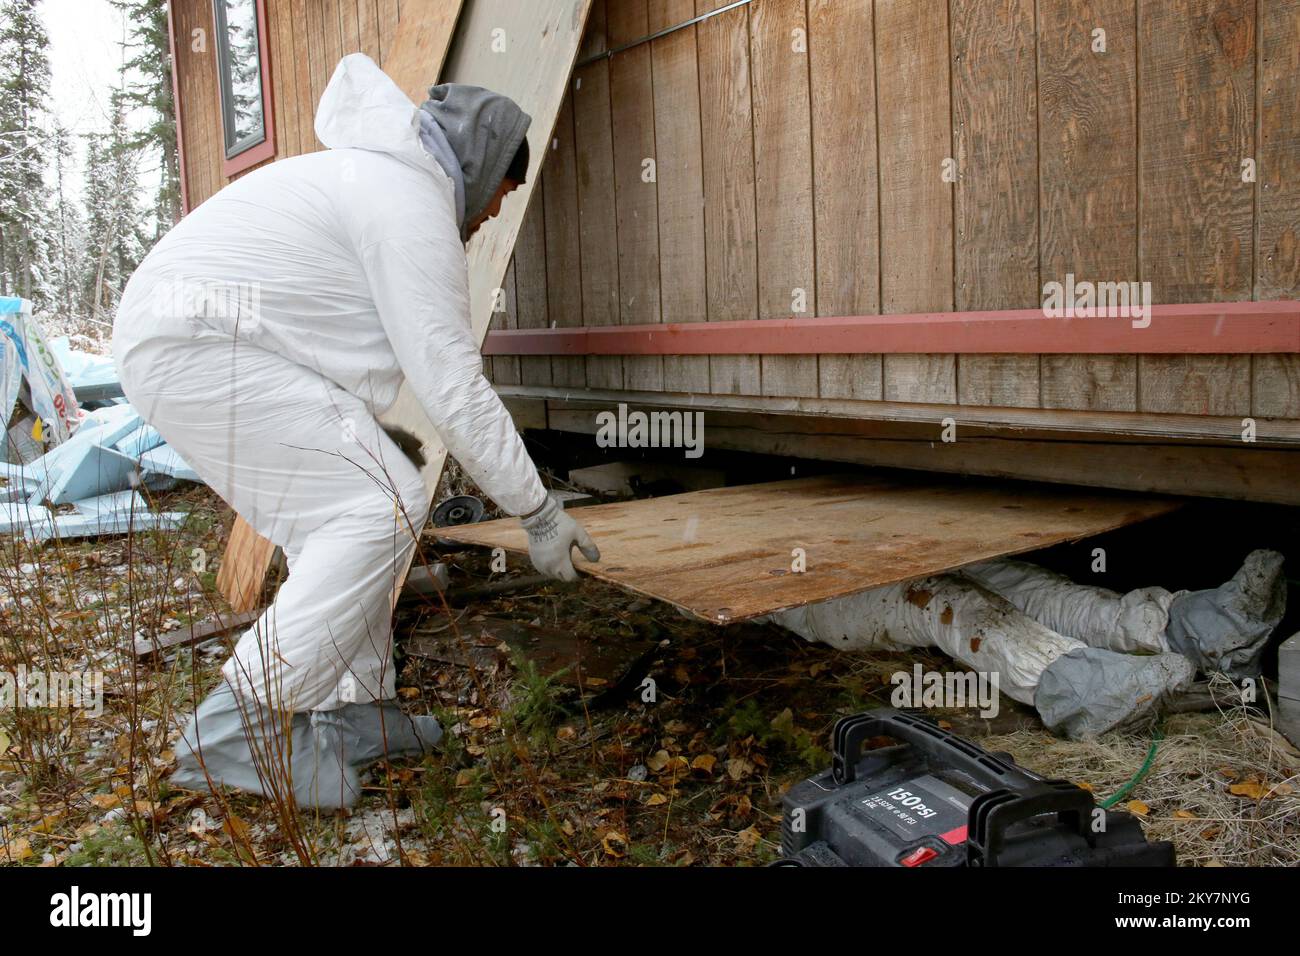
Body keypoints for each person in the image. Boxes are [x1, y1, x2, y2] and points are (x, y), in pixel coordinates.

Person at [111, 54, 599, 809]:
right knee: (382, 502)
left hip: (186, 339)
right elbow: (453, 386)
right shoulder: (408, 202)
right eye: (503, 192)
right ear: (478, 169)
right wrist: (537, 512)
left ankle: (351, 712)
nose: (497, 213)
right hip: (193, 344)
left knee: (352, 512)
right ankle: (238, 728)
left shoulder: (383, 185)